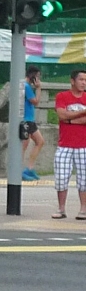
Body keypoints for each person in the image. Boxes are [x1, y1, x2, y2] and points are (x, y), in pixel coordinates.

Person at [52, 69, 86, 219]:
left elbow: (66, 117)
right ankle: (61, 209)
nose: (83, 83)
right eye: (81, 80)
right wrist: (81, 114)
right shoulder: (62, 96)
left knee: (84, 179)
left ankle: (83, 209)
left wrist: (70, 120)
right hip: (65, 144)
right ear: (72, 81)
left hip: (83, 145)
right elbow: (61, 115)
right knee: (61, 176)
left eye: (85, 80)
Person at [21, 66, 46, 181]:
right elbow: (35, 101)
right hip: (25, 120)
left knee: (40, 141)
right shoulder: (26, 87)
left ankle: (29, 168)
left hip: (31, 120)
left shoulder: (27, 87)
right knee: (23, 146)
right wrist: (38, 88)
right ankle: (19, 170)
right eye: (37, 77)